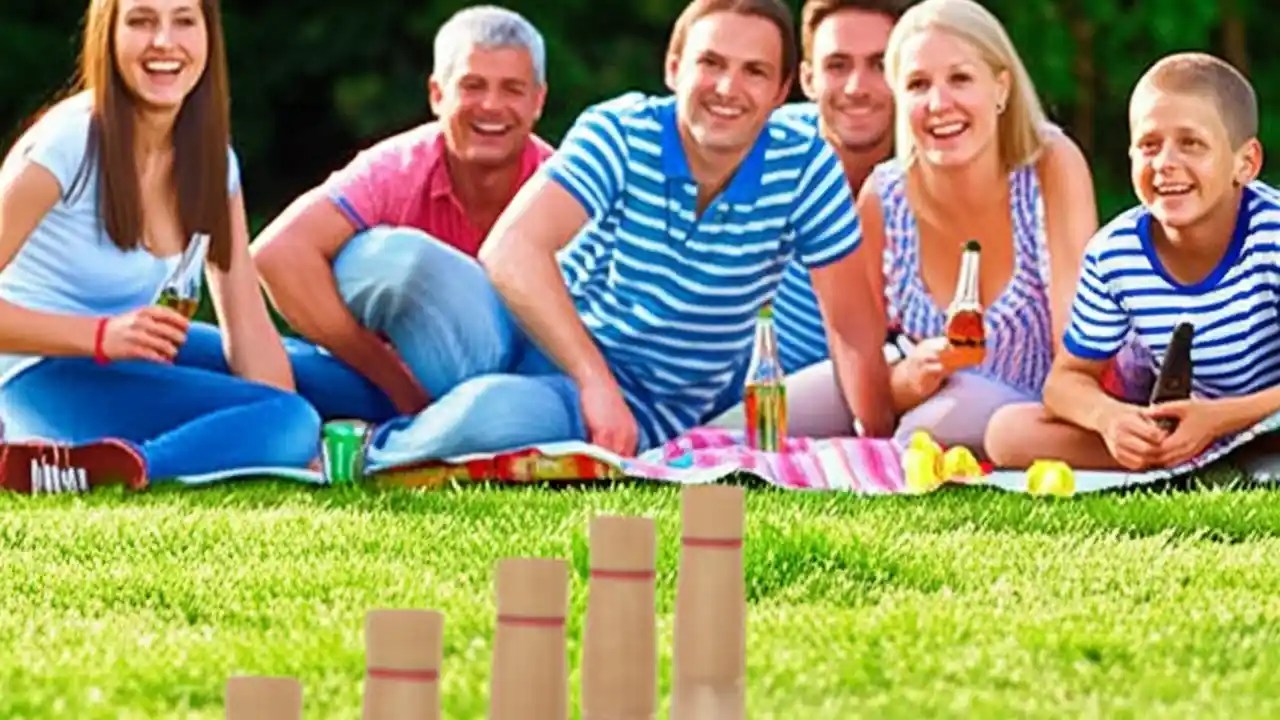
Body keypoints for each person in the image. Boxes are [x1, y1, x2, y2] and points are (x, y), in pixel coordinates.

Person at [343, 0, 897, 470]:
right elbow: (510, 251)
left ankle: (363, 450)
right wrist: (593, 380)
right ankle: (434, 406)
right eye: (711, 62)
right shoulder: (621, 130)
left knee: (496, 416)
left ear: (780, 93)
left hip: (635, 404)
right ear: (674, 67)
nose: (728, 88)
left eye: (754, 71)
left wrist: (881, 448)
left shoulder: (803, 167)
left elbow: (850, 325)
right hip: (525, 335)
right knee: (392, 260)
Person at [727, 0, 1098, 455]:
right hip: (923, 398)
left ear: (1001, 87)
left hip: (1030, 410)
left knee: (920, 436)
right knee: (756, 421)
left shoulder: (1049, 165)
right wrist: (914, 374)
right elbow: (871, 379)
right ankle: (667, 469)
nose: (939, 104)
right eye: (919, 85)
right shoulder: (883, 198)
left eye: (960, 78)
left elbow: (1080, 351)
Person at [0, 0, 320, 492]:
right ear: (109, 36)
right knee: (294, 419)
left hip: (135, 350)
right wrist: (100, 336)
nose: (164, 42)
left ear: (208, 36)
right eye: (142, 20)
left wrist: (283, 436)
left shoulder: (212, 160)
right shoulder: (66, 144)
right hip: (36, 373)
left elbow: (247, 324)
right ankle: (111, 467)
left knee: (324, 380)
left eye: (184, 21)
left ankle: (404, 446)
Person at [185, 5, 554, 423]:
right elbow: (277, 255)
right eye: (472, 85)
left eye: (512, 89)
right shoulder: (400, 166)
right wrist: (392, 379)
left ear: (538, 101)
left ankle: (394, 440)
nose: (490, 105)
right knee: (233, 360)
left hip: (516, 389)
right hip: (394, 387)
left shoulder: (561, 187)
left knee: (394, 261)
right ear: (437, 94)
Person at [985, 52, 1280, 471]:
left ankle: (1221, 458)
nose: (1164, 164)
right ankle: (1190, 462)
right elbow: (1065, 383)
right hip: (1178, 426)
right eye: (1149, 145)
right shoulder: (1114, 253)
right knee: (1006, 433)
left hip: (1264, 417)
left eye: (1191, 143)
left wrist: (1219, 420)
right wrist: (1111, 419)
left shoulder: (1272, 234)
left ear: (1245, 163)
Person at [702, 0, 908, 433]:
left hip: (822, 397)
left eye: (880, 65)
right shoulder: (756, 142)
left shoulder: (929, 180)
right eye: (837, 65)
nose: (857, 86)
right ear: (809, 78)